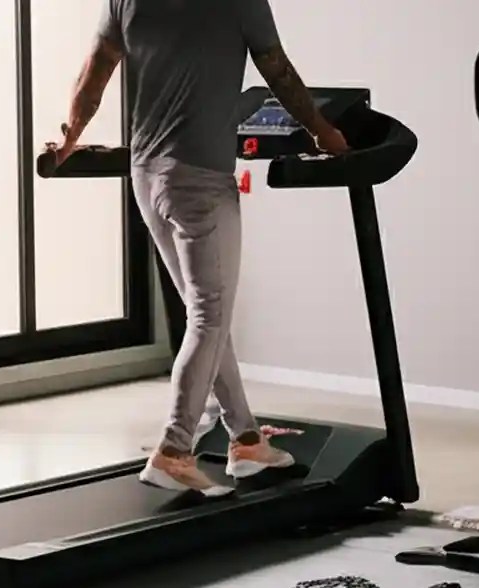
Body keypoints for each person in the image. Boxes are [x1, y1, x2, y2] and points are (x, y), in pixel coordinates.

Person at [51, 0, 350, 496]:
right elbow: (277, 71)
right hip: (201, 181)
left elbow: (97, 66)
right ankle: (174, 449)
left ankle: (247, 441)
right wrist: (326, 132)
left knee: (203, 314)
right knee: (210, 317)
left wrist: (71, 138)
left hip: (146, 175)